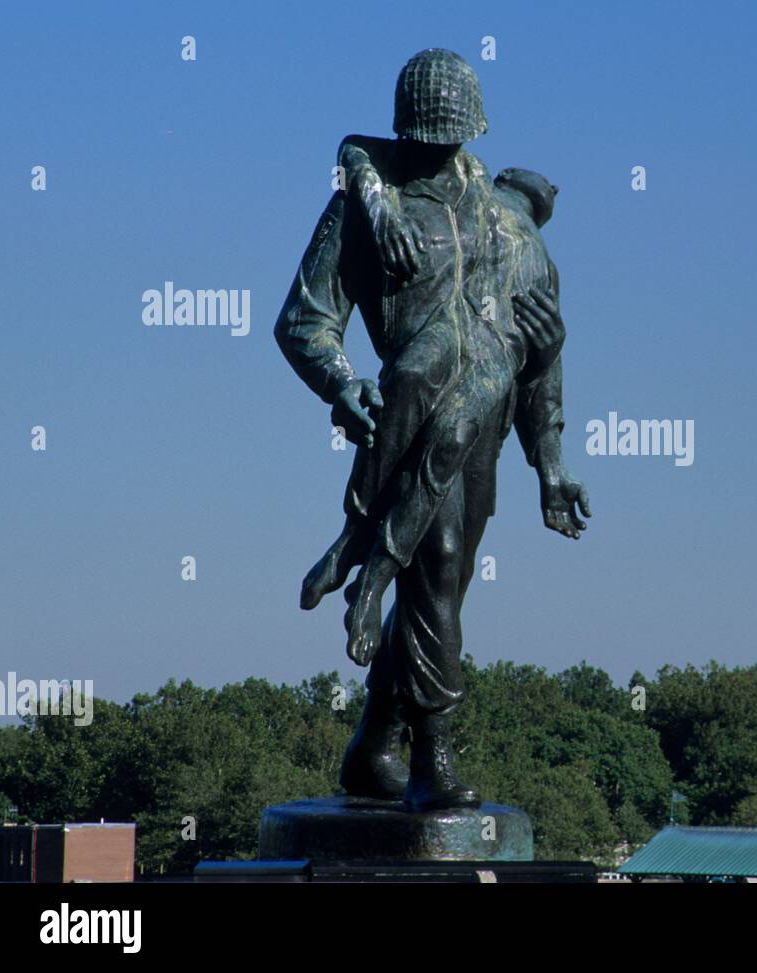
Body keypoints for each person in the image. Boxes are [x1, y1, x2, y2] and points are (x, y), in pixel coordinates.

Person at [274, 49, 589, 811]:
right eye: (424, 139)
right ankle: (433, 755)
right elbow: (303, 321)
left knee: (436, 578)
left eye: (450, 139)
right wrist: (343, 384)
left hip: (480, 423)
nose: (438, 152)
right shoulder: (364, 205)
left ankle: (373, 743)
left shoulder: (505, 220)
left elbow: (539, 352)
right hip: (401, 416)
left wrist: (549, 466)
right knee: (439, 563)